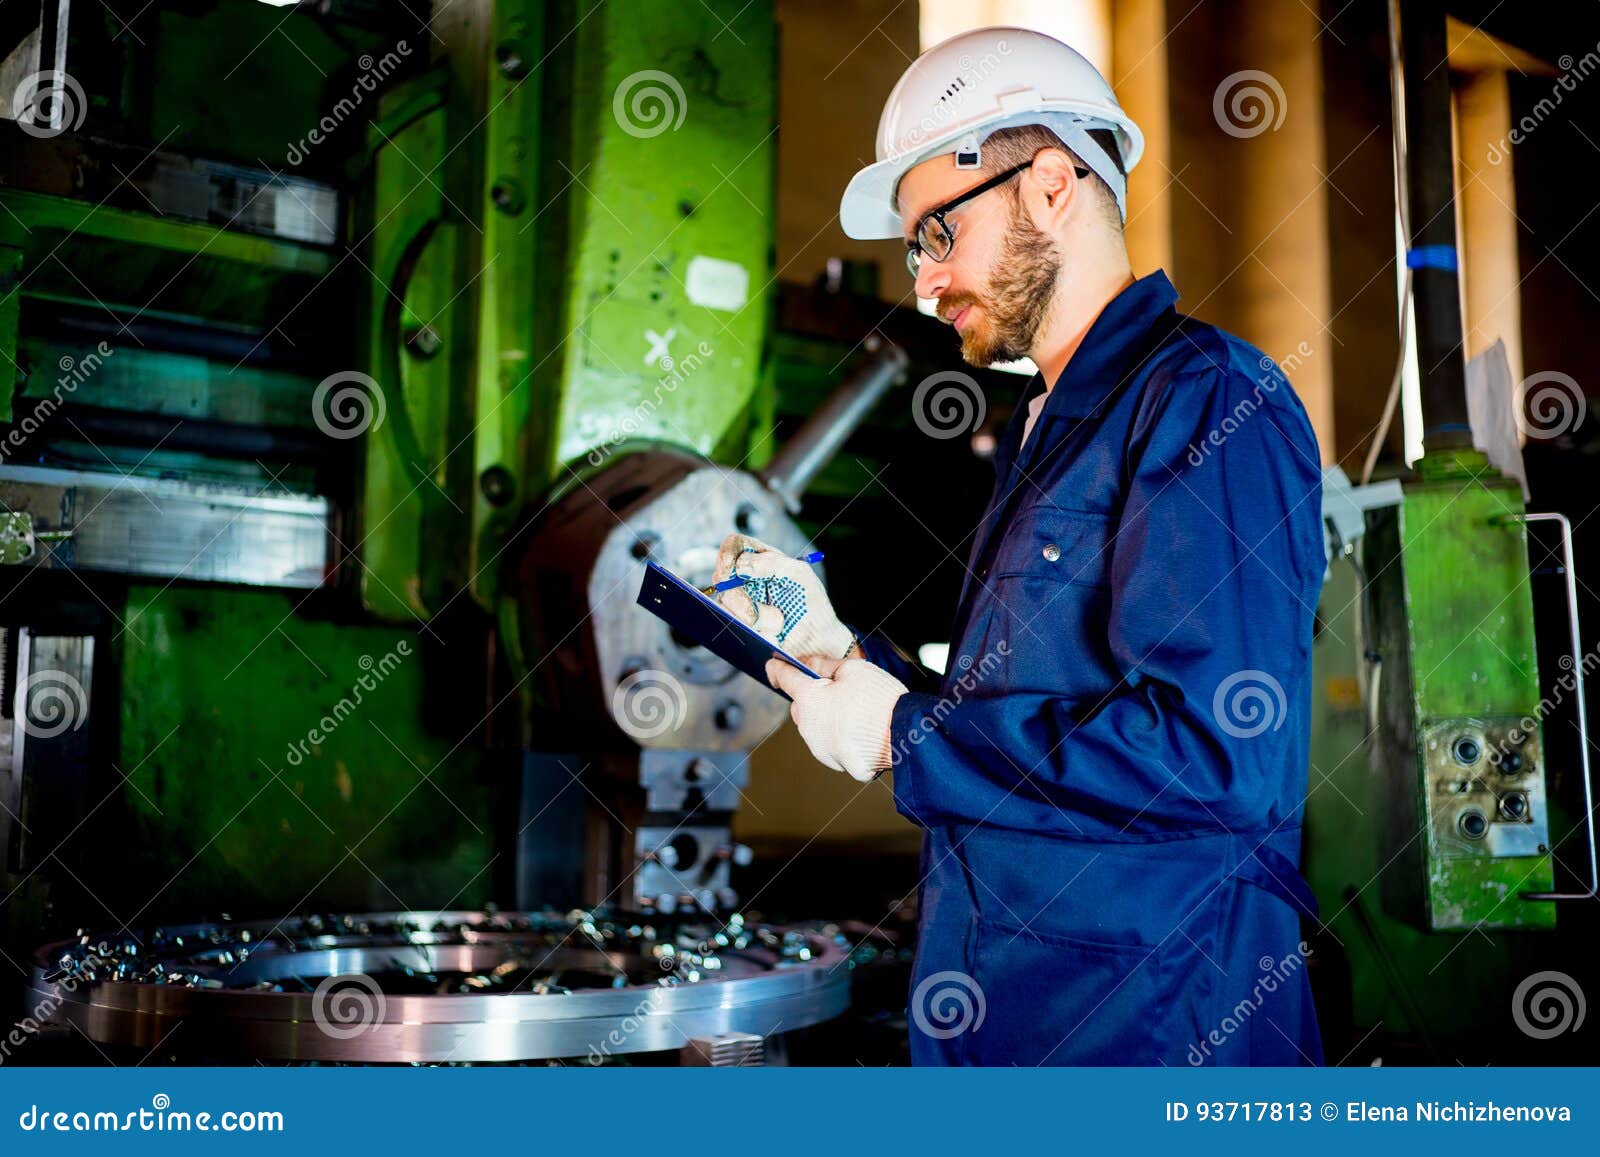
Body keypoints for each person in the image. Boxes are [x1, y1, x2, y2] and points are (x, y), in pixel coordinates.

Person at [711, 26, 1324, 1067]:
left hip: (1155, 1030)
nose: (922, 283)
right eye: (913, 251)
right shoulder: (1042, 433)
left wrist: (905, 733)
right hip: (1009, 1013)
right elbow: (1025, 705)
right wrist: (846, 659)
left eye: (937, 235)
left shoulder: (1206, 403)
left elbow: (1217, 758)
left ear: (1048, 184)